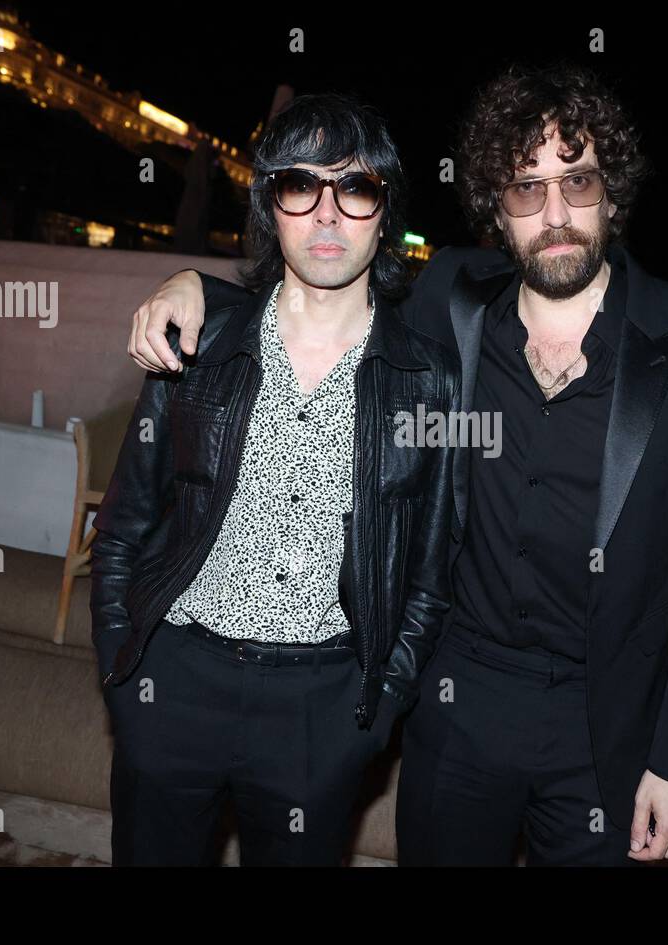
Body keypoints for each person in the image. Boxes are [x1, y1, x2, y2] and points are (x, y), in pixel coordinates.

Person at [127, 63, 668, 865]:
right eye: (527, 189)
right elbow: (321, 286)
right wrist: (192, 287)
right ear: (497, 206)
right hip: (456, 706)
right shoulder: (451, 298)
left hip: (608, 729)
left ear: (614, 191)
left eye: (579, 182)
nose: (556, 214)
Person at [90, 93, 459, 865]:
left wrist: (379, 708)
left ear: (384, 213)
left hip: (322, 709)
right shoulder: (195, 341)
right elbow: (124, 520)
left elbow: (430, 570)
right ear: (271, 207)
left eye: (354, 188)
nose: (328, 214)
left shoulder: (428, 380)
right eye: (300, 185)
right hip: (175, 681)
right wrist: (124, 673)